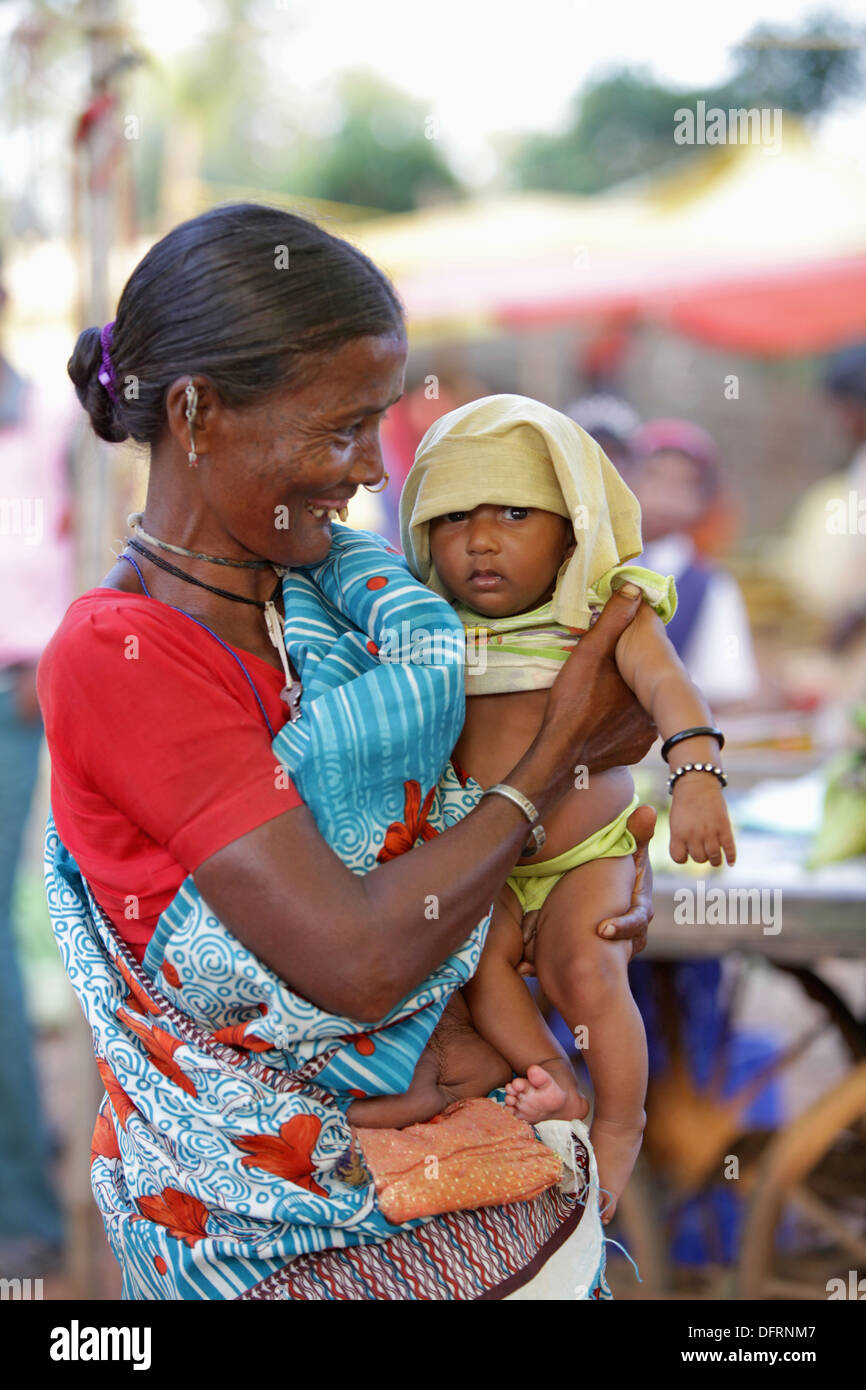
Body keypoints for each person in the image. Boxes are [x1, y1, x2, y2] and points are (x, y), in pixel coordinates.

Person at [39, 204, 658, 1302]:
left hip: (451, 1152)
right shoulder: (119, 652)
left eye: (374, 426)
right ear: (195, 413)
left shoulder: (356, 603)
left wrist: (584, 870)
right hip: (260, 1222)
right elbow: (360, 958)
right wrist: (553, 756)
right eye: (337, 430)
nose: (369, 468)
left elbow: (479, 831)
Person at [396, 395, 735, 1221]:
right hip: (488, 869)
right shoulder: (424, 620)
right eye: (452, 519)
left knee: (587, 970)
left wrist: (694, 772)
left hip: (587, 854)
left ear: (575, 523)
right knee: (478, 967)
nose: (480, 540)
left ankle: (620, 1123)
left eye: (515, 513)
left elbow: (667, 687)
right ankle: (560, 1084)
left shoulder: (603, 604)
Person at [0, 263, 73, 1273]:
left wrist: (57, 653)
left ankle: (28, 1204)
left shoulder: (51, 417)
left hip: (14, 690)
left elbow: (104, 531)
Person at [631, 419, 759, 708]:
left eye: (683, 484)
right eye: (653, 477)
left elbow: (724, 685)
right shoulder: (596, 565)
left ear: (703, 499)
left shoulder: (709, 585)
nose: (665, 496)